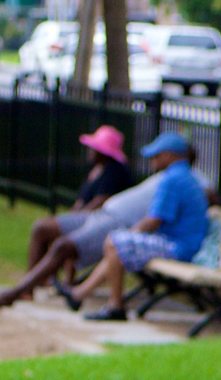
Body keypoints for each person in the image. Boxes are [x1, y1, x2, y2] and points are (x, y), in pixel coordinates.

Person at [0, 124, 139, 307]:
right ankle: (35, 284)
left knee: (59, 240)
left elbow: (99, 204)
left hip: (100, 220)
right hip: (90, 218)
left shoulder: (115, 172)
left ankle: (31, 287)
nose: (89, 150)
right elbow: (83, 200)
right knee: (43, 228)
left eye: (94, 147)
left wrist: (72, 218)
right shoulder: (97, 170)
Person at [70, 130, 214, 320]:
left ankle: (114, 306)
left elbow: (154, 220)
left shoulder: (172, 180)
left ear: (170, 156)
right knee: (119, 244)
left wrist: (132, 232)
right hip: (185, 243)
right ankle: (80, 293)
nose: (152, 160)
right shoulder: (186, 176)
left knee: (115, 241)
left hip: (180, 247)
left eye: (157, 155)